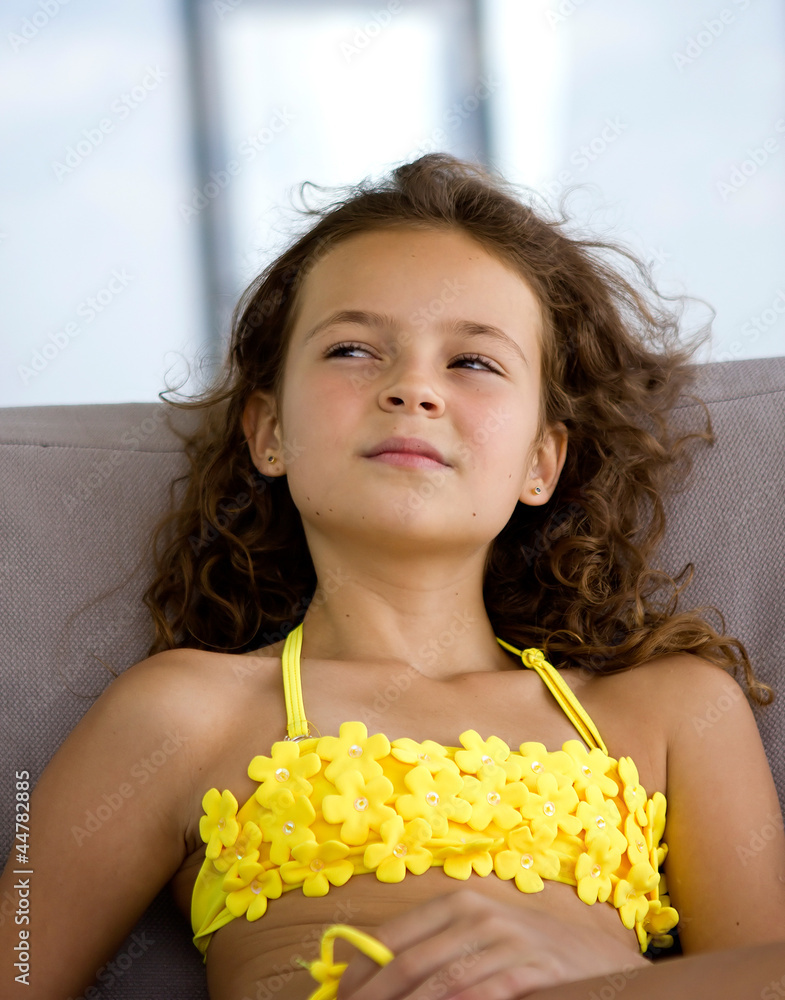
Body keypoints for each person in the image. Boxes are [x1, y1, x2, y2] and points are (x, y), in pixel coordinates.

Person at [2, 153, 784, 1000]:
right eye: (352, 350)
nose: (412, 388)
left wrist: (612, 981)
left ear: (540, 460)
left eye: (473, 363)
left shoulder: (670, 711)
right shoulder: (185, 712)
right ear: (267, 432)